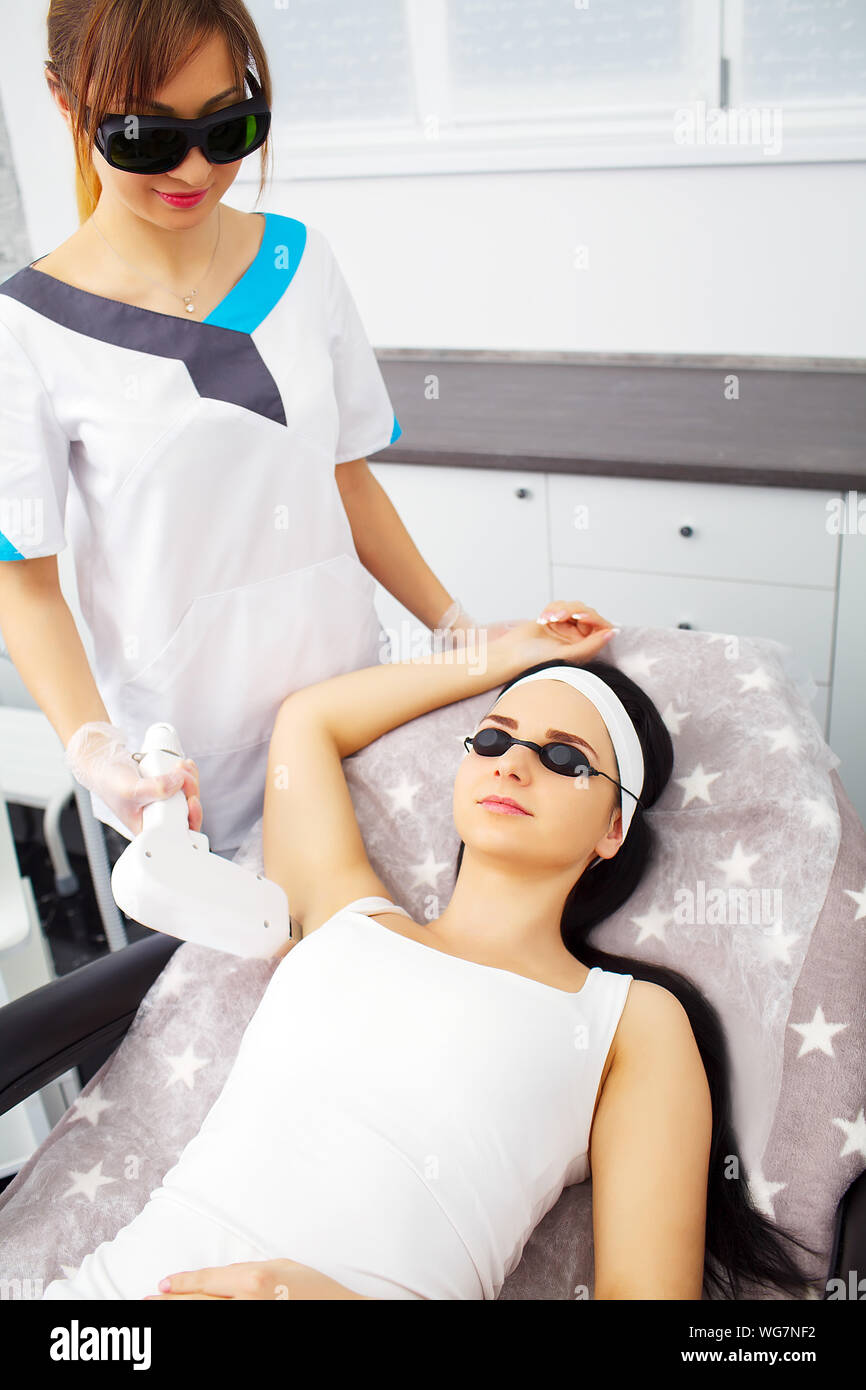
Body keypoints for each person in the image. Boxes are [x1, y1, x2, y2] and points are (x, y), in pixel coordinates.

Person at [41, 602, 822, 1301]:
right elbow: (308, 722)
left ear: (613, 828)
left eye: (565, 758)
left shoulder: (628, 1022)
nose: (514, 763)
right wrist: (510, 653)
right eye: (492, 738)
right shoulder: (346, 913)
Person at [0, 0, 478, 855]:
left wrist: (459, 630)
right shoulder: (28, 329)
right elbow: (22, 581)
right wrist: (97, 752)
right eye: (147, 138)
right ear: (65, 102)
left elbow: (346, 477)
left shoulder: (301, 261)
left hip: (353, 709)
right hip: (185, 769)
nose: (195, 168)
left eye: (228, 128)